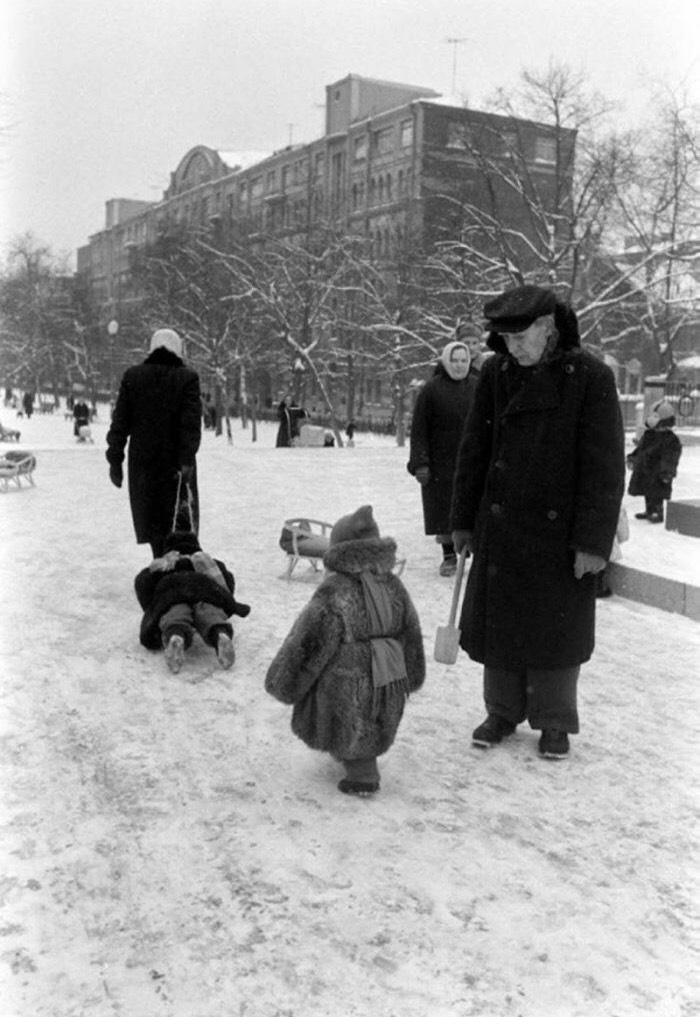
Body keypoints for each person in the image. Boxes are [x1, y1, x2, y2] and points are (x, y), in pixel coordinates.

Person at [450, 284, 625, 759]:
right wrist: (462, 520)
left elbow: (605, 467)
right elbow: (474, 450)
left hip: (560, 533)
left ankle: (553, 720)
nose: (514, 347)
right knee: (501, 624)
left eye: (522, 336)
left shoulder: (591, 377)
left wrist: (593, 541)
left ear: (549, 328)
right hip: (501, 527)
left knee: (555, 627)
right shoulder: (496, 375)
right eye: (505, 339)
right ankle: (501, 710)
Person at [265, 505, 425, 796]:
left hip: (351, 677)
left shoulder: (335, 589)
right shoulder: (393, 584)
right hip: (389, 672)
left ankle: (363, 774)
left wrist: (284, 680)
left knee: (353, 710)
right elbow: (410, 631)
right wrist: (412, 674)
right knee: (374, 714)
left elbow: (308, 639)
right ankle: (356, 754)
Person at [106, 328, 202, 557]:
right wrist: (186, 459)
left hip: (143, 466)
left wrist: (115, 460)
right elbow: (190, 425)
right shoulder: (188, 378)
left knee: (153, 527)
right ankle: (174, 575)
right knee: (178, 525)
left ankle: (159, 564)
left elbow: (120, 423)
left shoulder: (133, 377)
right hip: (175, 466)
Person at [134, 529, 251, 674]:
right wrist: (223, 599)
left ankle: (176, 634)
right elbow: (228, 580)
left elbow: (142, 582)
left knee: (175, 611)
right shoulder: (208, 561)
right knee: (209, 610)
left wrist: (152, 605)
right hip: (205, 587)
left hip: (172, 590)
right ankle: (219, 632)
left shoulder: (164, 563)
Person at [407, 340, 477, 576]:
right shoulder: (431, 390)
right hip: (441, 463)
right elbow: (419, 429)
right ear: (446, 361)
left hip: (472, 459)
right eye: (454, 361)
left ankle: (473, 552)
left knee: (472, 506)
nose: (459, 366)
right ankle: (448, 555)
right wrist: (420, 462)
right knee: (445, 510)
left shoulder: (479, 388)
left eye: (464, 360)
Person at [627, 399, 682, 524]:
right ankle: (649, 510)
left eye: (656, 416)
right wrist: (633, 457)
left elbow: (671, 456)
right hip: (646, 468)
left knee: (657, 492)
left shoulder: (671, 439)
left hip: (659, 471)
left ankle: (657, 511)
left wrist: (668, 471)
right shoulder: (649, 434)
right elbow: (641, 449)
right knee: (648, 490)